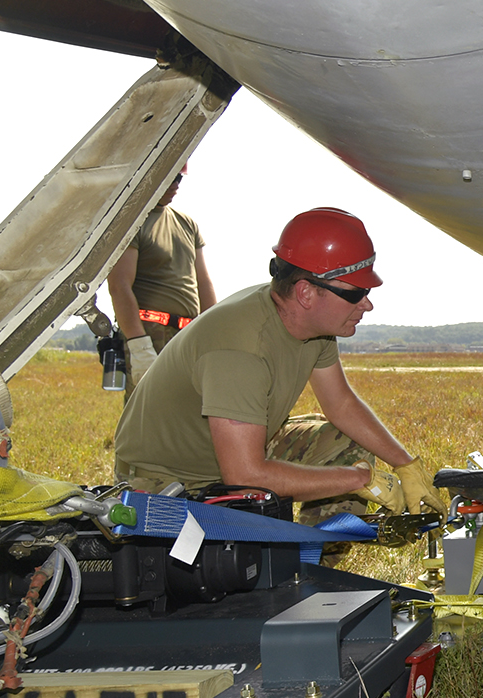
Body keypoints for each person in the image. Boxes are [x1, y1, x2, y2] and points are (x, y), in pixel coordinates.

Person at [113, 207, 442, 526]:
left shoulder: (313, 327)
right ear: (306, 293)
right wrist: (357, 478)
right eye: (357, 293)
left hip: (230, 457)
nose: (367, 304)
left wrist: (406, 464)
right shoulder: (240, 347)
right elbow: (244, 478)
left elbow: (340, 404)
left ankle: (311, 561)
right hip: (166, 480)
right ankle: (292, 561)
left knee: (345, 441)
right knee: (223, 569)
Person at [107, 166, 215, 390]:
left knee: (189, 411)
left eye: (179, 178)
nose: (175, 185)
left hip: (188, 332)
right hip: (151, 333)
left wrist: (213, 330)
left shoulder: (187, 224)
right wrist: (139, 345)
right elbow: (119, 286)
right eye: (170, 177)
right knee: (148, 413)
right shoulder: (131, 223)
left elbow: (203, 282)